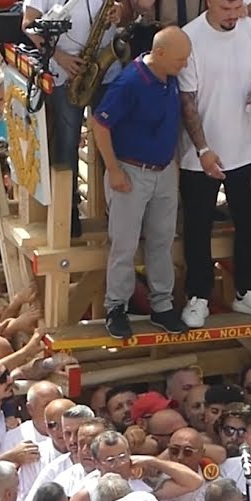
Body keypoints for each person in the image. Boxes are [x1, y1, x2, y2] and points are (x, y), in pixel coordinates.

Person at [177, 0, 251, 328]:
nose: (233, 16)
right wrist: (203, 150)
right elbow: (187, 102)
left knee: (250, 223)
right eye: (226, 9)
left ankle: (248, 291)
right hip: (200, 154)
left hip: (247, 148)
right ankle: (198, 296)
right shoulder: (190, 37)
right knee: (197, 226)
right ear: (209, 0)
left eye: (238, 8)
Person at [22, 0, 130, 238]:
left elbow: (127, 7)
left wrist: (119, 12)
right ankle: (67, 216)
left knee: (115, 141)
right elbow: (29, 24)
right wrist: (61, 57)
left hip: (105, 68)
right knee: (66, 145)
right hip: (67, 70)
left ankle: (117, 212)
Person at [90, 27, 192, 339]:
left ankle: (162, 305)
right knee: (124, 244)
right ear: (159, 54)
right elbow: (100, 124)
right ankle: (116, 307)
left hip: (163, 171)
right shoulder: (130, 82)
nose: (185, 64)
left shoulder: (169, 77)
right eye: (180, 59)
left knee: (162, 240)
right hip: (131, 171)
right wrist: (113, 170)